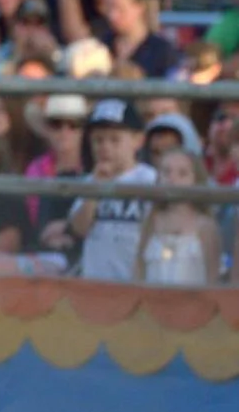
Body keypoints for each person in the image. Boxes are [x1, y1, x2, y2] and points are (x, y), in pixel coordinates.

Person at [68, 99, 156, 281]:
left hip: (136, 280)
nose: (105, 147)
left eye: (115, 140)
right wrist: (94, 191)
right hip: (96, 280)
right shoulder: (90, 180)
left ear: (138, 140)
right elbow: (79, 228)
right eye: (98, 140)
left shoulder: (150, 180)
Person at [134, 149, 221, 285]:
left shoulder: (205, 226)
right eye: (166, 172)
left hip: (192, 303)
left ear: (196, 180)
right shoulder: (152, 220)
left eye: (182, 174)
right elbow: (139, 266)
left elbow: (213, 275)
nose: (172, 179)